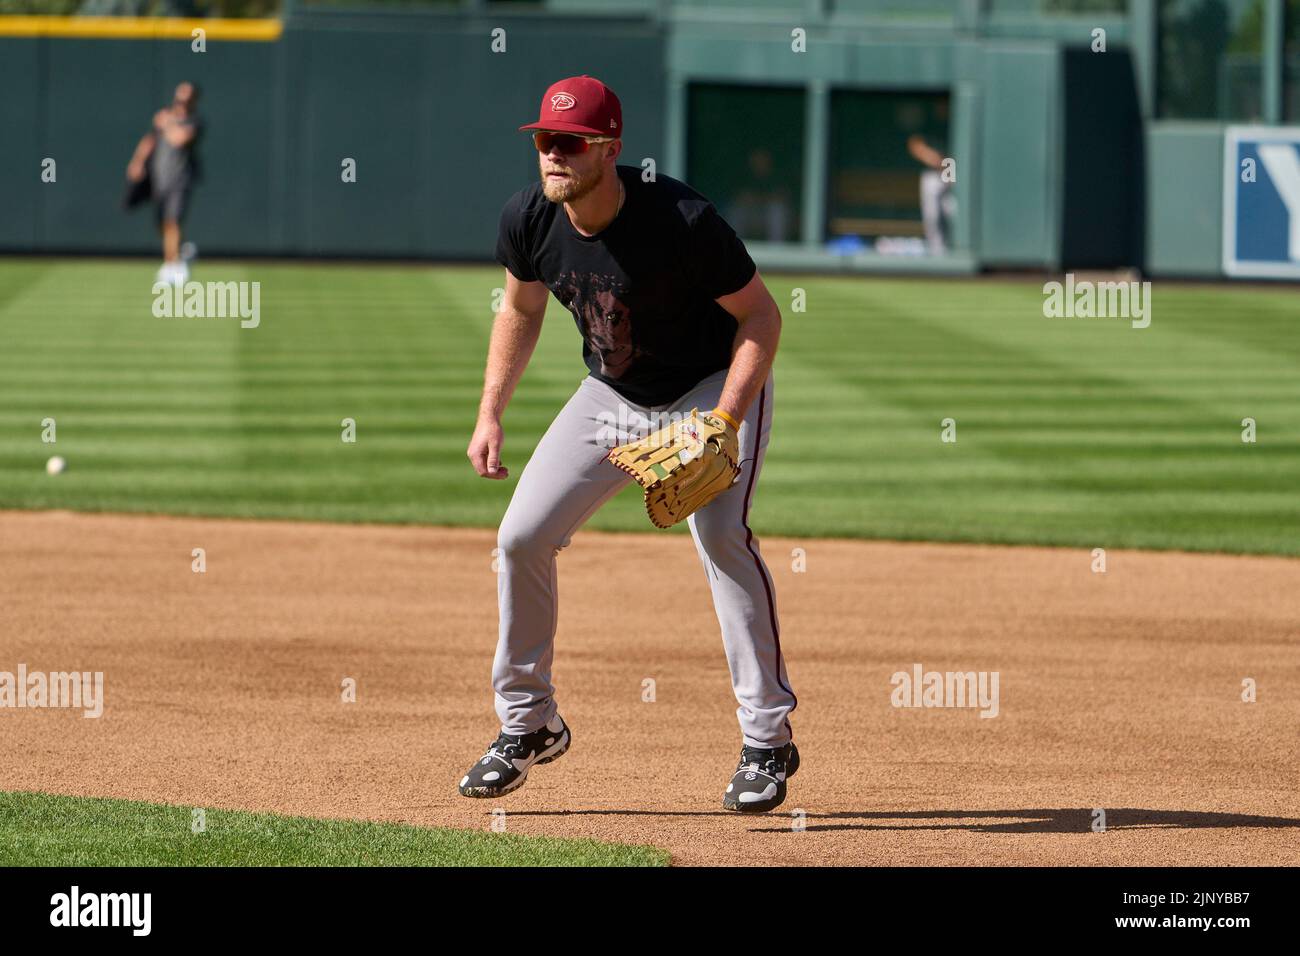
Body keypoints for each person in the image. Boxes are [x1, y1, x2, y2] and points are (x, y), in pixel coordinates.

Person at [460, 75, 799, 813]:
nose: (552, 154)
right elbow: (518, 311)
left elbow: (762, 321)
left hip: (709, 385)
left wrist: (724, 421)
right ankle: (529, 723)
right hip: (613, 396)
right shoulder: (529, 219)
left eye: (570, 142)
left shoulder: (680, 219)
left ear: (609, 149)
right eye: (545, 140)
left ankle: (767, 741)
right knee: (520, 535)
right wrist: (491, 413)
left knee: (720, 533)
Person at [126, 81, 203, 285]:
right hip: (160, 179)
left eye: (186, 98)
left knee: (172, 220)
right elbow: (149, 140)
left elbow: (179, 139)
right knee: (162, 223)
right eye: (179, 97)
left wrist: (166, 122)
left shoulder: (193, 121)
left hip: (180, 180)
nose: (182, 102)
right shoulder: (165, 119)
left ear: (193, 100)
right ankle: (181, 250)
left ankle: (172, 266)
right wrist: (138, 162)